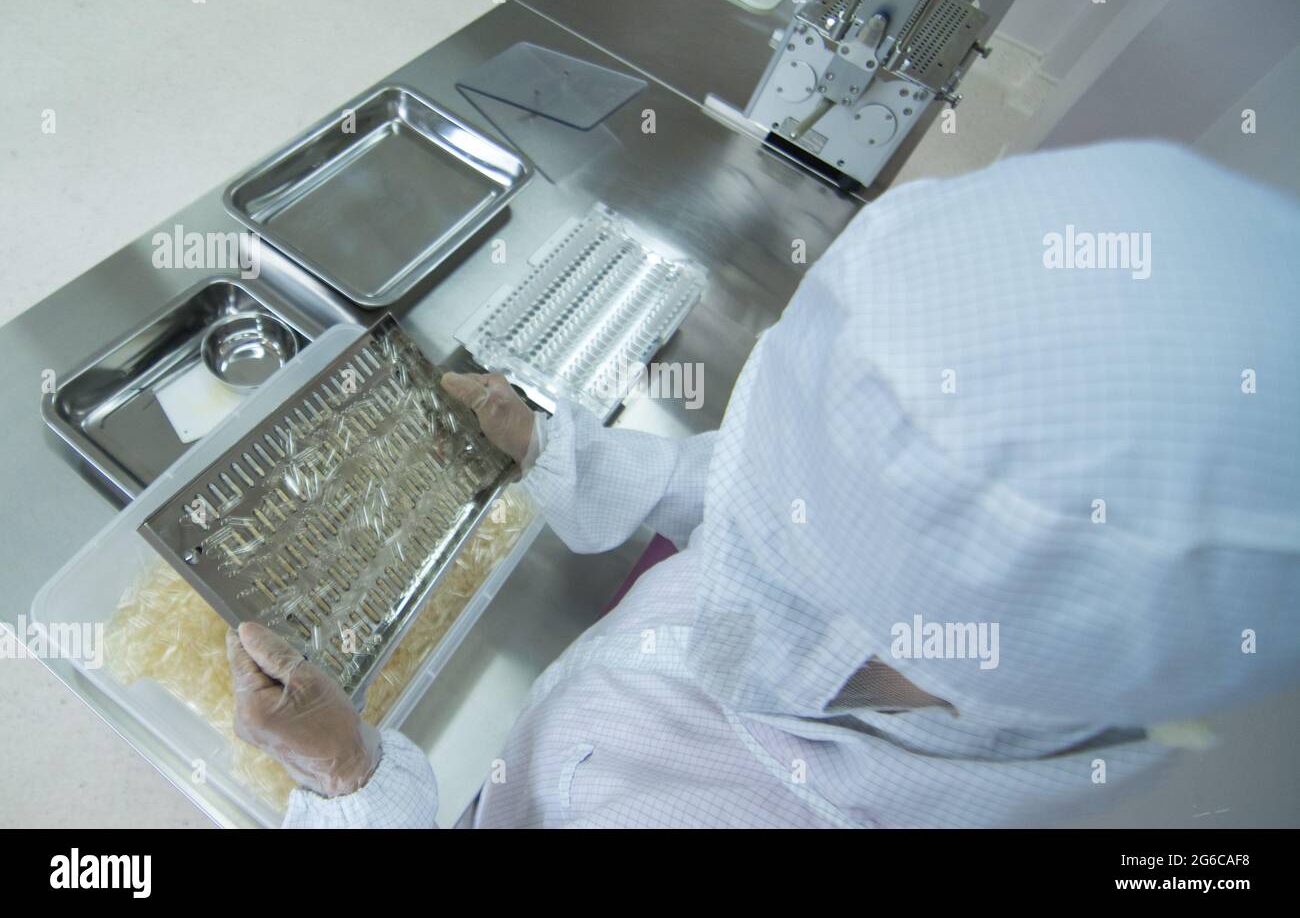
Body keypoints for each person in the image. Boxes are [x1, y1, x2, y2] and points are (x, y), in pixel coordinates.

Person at [226, 140, 1300, 828]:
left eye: (814, 546)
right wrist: (551, 451)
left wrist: (353, 779)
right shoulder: (945, 614)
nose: (768, 526)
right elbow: (743, 494)